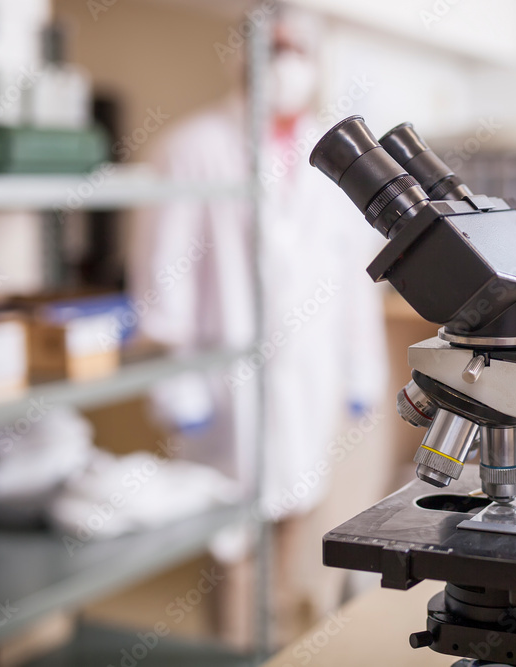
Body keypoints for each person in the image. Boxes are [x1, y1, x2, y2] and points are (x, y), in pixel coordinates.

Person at [129, 5, 390, 648]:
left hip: (311, 375)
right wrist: (177, 388)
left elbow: (353, 273)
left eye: (297, 49)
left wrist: (363, 370)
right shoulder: (192, 148)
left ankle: (275, 644)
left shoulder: (336, 155)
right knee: (233, 540)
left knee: (297, 510)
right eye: (273, 48)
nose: (286, 63)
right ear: (239, 55)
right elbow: (162, 279)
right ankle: (234, 648)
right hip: (225, 382)